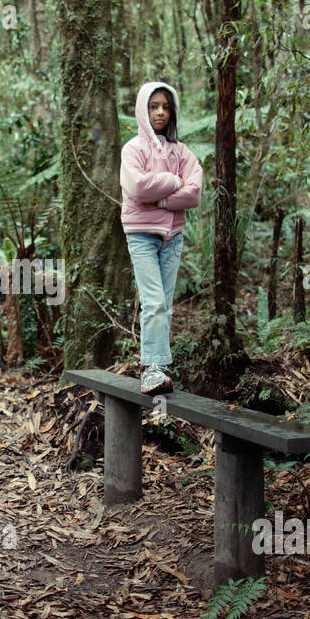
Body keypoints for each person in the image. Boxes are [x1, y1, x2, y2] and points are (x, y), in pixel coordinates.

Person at [119, 81, 203, 394]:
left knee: (164, 305)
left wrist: (163, 200)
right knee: (153, 302)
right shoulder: (133, 149)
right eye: (154, 106)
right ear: (143, 109)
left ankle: (158, 367)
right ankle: (150, 369)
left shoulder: (182, 152)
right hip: (141, 235)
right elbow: (137, 188)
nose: (160, 113)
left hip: (173, 237)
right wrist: (171, 180)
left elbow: (194, 193)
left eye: (166, 107)